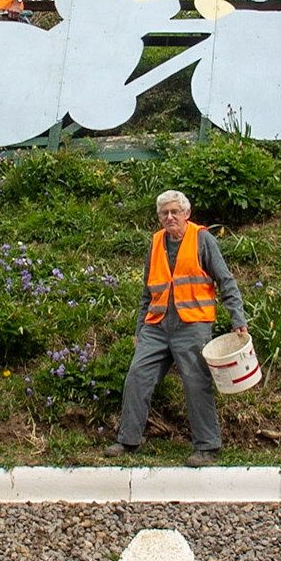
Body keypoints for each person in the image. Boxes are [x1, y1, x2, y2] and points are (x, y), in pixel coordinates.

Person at [111, 190, 248, 467]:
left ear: (187, 214)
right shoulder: (157, 242)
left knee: (196, 383)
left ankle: (207, 447)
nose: (169, 217)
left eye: (175, 212)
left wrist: (239, 321)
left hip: (193, 324)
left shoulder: (203, 239)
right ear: (159, 217)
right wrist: (140, 328)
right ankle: (128, 440)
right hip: (156, 325)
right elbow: (148, 291)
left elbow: (226, 281)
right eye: (164, 213)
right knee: (137, 375)